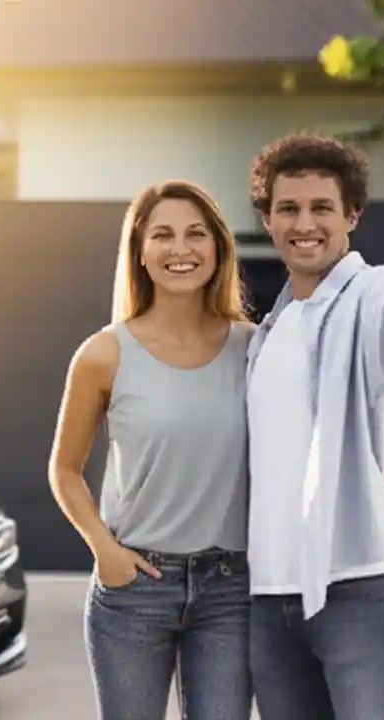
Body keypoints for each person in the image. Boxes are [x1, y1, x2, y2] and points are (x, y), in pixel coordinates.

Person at [243, 133, 384, 720]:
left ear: (351, 215)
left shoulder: (373, 294)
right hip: (269, 596)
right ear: (267, 221)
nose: (305, 224)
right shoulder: (268, 332)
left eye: (322, 207)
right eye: (288, 209)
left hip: (360, 584)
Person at [47, 180, 255, 720]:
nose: (180, 250)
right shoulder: (103, 354)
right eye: (163, 235)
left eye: (195, 234)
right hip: (136, 587)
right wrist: (105, 552)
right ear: (140, 250)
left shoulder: (255, 347)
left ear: (218, 247)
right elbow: (65, 471)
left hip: (231, 589)